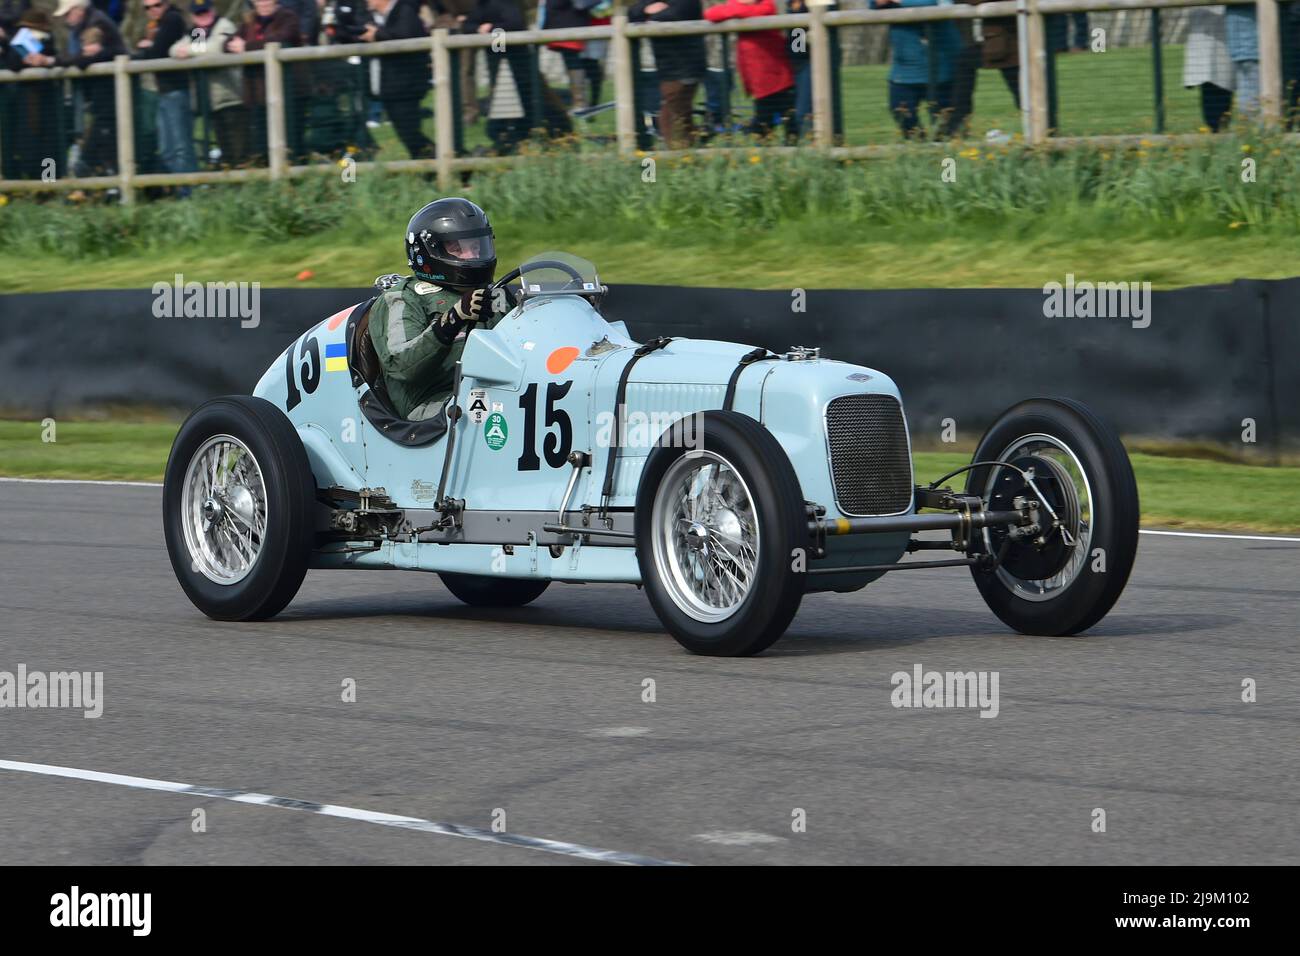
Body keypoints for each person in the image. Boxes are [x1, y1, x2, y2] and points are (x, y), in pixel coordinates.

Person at [368, 198, 499, 422]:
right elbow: (401, 366)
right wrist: (452, 320)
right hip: (428, 403)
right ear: (427, 252)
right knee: (502, 410)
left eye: (476, 246)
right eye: (457, 248)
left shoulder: (496, 293)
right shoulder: (403, 298)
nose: (472, 256)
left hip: (488, 389)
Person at [53, 0, 127, 176]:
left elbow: (83, 60)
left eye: (67, 13)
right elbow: (82, 57)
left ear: (78, 10)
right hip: (102, 95)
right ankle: (108, 184)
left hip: (110, 94)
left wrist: (54, 61)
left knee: (102, 141)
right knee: (105, 142)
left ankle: (91, 174)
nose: (65, 19)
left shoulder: (95, 24)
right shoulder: (85, 24)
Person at [704, 0, 795, 141]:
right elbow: (711, 14)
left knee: (786, 118)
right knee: (773, 119)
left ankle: (790, 148)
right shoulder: (744, 6)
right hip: (761, 79)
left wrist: (735, 6)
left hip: (779, 75)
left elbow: (753, 13)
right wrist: (737, 6)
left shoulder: (767, 5)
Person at [172, 0, 247, 165]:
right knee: (226, 151)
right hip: (211, 101)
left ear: (212, 10)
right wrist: (187, 50)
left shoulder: (224, 25)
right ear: (193, 16)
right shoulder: (198, 31)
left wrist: (190, 50)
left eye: (206, 11)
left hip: (231, 98)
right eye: (199, 13)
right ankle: (232, 186)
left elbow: (216, 48)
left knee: (239, 150)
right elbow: (175, 49)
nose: (203, 16)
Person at [872, 0, 959, 140]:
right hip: (904, 68)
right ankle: (922, 154)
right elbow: (874, 4)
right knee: (901, 112)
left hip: (941, 66)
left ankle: (945, 158)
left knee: (946, 128)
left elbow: (935, 3)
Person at [226, 0, 301, 162]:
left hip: (285, 93)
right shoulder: (248, 21)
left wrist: (247, 46)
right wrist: (232, 45)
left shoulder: (288, 17)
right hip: (255, 95)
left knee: (288, 140)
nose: (264, 3)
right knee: (258, 142)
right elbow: (226, 44)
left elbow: (280, 38)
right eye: (259, 0)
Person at [628, 0, 706, 148]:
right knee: (679, 114)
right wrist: (647, 10)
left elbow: (673, 15)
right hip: (667, 67)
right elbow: (633, 13)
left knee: (672, 115)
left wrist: (651, 13)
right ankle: (688, 152)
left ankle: (679, 153)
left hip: (686, 65)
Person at [134, 0, 198, 179]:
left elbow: (158, 52)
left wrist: (148, 48)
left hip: (177, 91)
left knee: (180, 145)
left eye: (157, 5)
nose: (153, 10)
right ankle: (177, 189)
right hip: (163, 91)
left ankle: (189, 190)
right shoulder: (156, 25)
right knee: (167, 147)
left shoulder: (173, 19)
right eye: (147, 7)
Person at [361, 0, 432, 158]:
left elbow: (404, 37)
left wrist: (377, 34)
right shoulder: (377, 17)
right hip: (391, 87)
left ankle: (449, 165)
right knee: (408, 135)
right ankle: (432, 169)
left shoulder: (404, 11)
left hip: (407, 87)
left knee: (410, 135)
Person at [1183, 6, 1234, 132]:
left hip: (1222, 34)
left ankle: (1218, 131)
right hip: (1207, 36)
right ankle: (1216, 131)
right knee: (1212, 86)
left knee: (1221, 83)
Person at [1225, 5, 1259, 119]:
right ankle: (1256, 131)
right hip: (1253, 45)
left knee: (1245, 91)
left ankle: (1249, 130)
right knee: (1254, 93)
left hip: (1238, 45)